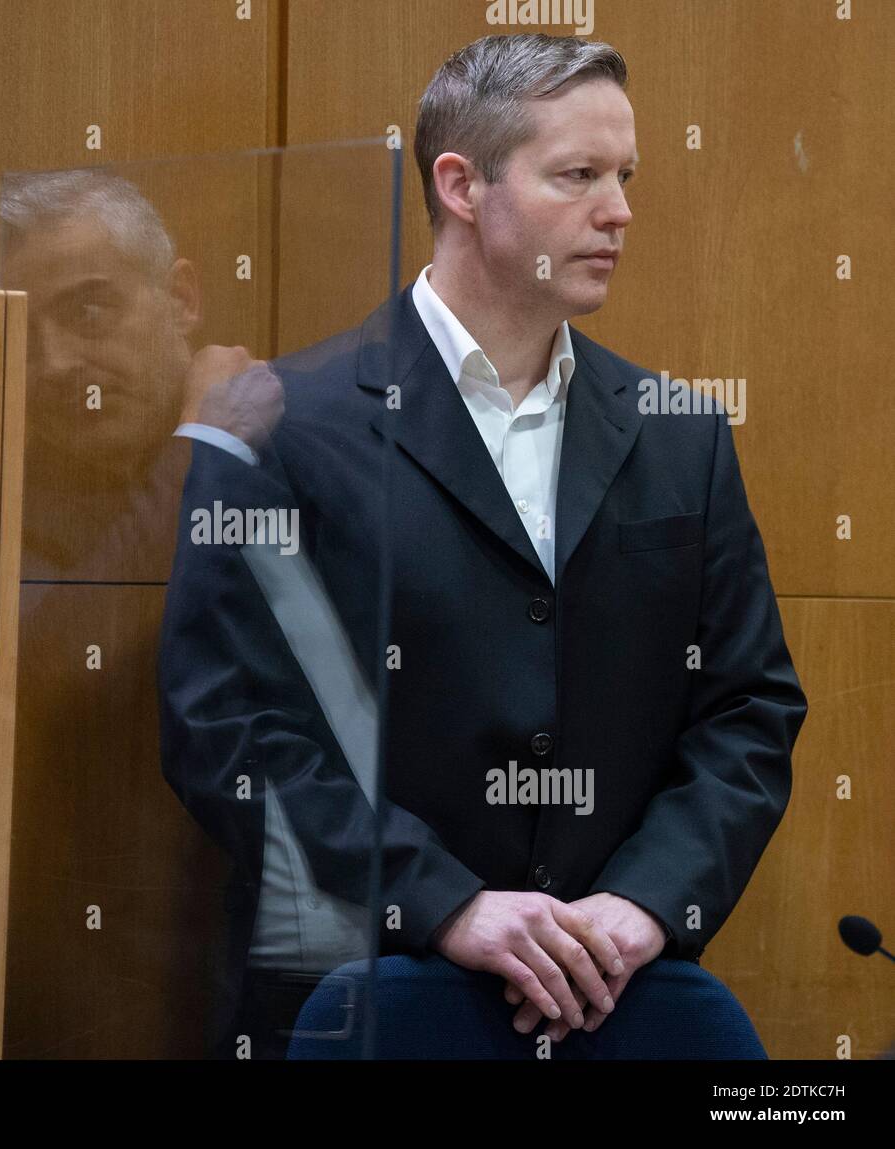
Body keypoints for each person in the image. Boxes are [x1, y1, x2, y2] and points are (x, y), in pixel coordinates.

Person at [158, 33, 807, 1058]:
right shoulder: (278, 426)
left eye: (624, 176)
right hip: (362, 1004)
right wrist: (446, 904)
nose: (620, 210)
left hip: (618, 1003)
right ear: (461, 185)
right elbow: (228, 730)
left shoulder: (681, 434)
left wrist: (642, 906)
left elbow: (747, 708)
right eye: (578, 175)